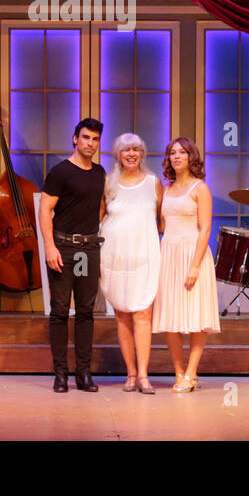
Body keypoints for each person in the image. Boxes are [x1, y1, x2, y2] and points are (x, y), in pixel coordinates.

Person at [39, 118, 106, 393]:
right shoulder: (60, 172)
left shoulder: (100, 172)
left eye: (95, 139)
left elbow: (100, 207)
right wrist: (49, 247)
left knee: (86, 312)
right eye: (86, 137)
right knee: (59, 311)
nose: (90, 143)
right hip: (63, 248)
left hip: (87, 250)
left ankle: (84, 374)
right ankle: (60, 374)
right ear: (75, 139)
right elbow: (45, 210)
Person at [151, 136, 220, 392]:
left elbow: (205, 229)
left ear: (192, 157)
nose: (177, 156)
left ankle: (192, 373)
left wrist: (194, 265)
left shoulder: (200, 188)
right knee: (171, 316)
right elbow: (161, 225)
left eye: (182, 152)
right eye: (172, 153)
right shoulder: (165, 189)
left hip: (194, 254)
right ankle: (179, 372)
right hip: (168, 254)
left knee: (195, 315)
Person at [99, 133, 162, 394]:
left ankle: (144, 375)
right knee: (122, 315)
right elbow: (99, 217)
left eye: (136, 149)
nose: (131, 154)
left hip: (145, 256)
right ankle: (131, 373)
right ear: (118, 154)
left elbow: (162, 220)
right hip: (114, 257)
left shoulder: (153, 183)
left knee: (143, 313)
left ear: (143, 154)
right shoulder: (108, 183)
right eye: (126, 150)